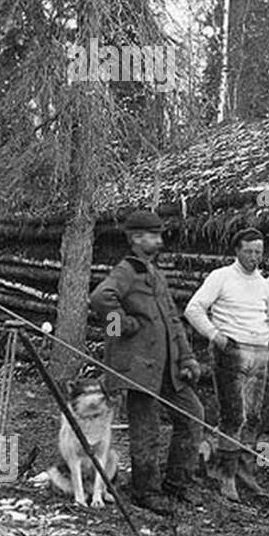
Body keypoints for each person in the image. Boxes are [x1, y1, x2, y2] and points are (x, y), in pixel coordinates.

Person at [89, 209, 203, 516]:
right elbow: (100, 299)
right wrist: (121, 325)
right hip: (141, 367)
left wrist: (187, 356)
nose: (160, 240)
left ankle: (177, 485)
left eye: (159, 234)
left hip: (168, 365)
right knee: (147, 429)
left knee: (193, 416)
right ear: (137, 238)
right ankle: (146, 491)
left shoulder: (155, 274)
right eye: (154, 235)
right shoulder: (126, 270)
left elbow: (173, 321)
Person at [184, 227, 269, 502]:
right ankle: (226, 474)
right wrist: (216, 336)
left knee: (254, 416)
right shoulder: (221, 277)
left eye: (258, 252)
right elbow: (194, 308)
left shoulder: (264, 282)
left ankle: (247, 471)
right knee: (234, 415)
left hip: (260, 351)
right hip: (232, 351)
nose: (254, 257)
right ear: (237, 251)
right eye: (248, 251)